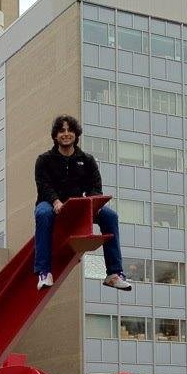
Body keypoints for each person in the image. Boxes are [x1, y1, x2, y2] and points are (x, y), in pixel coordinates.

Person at [34, 114, 132, 292]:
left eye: (70, 130)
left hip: (79, 205)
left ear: (76, 134)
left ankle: (114, 273)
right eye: (61, 130)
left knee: (110, 216)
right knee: (43, 214)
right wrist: (56, 202)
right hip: (50, 203)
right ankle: (44, 271)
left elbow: (96, 187)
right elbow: (43, 186)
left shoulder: (87, 160)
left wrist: (91, 206)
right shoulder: (44, 160)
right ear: (55, 135)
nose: (66, 134)